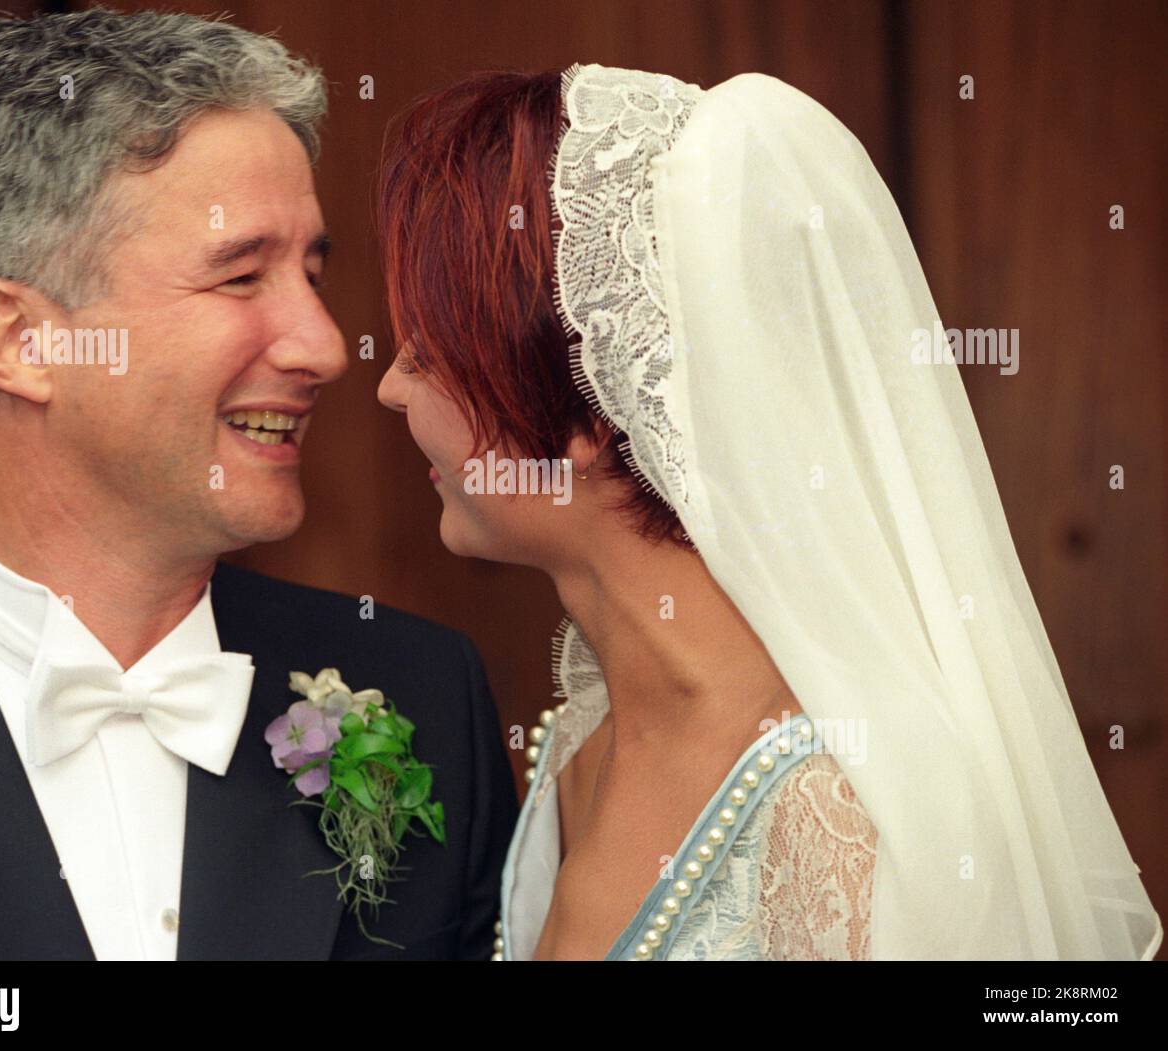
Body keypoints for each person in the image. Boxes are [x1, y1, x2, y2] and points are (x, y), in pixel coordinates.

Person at [375, 63, 1163, 960]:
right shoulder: (577, 741)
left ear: (589, 407)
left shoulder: (845, 804)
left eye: (429, 351)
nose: (389, 386)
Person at [0, 8, 516, 961]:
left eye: (311, 273)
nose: (326, 348)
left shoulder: (420, 698)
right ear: (21, 340)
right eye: (242, 276)